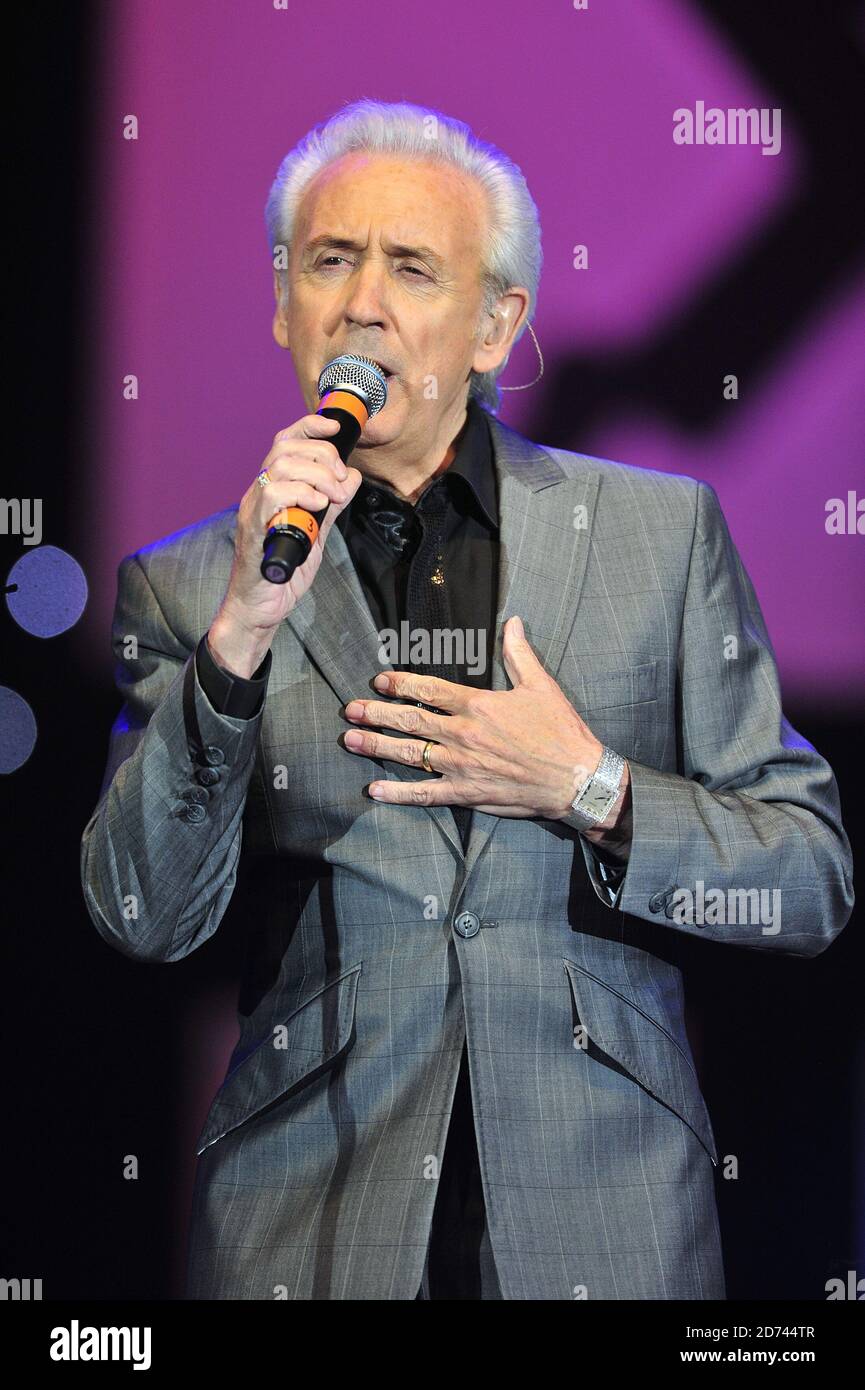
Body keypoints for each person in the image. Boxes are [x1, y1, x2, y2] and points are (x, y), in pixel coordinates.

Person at [80, 99, 854, 1301]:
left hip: (604, 1211)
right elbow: (140, 910)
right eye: (330, 261)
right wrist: (237, 642)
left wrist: (589, 789)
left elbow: (807, 878)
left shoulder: (656, 535)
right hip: (312, 1216)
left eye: (412, 267)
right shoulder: (193, 583)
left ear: (497, 326)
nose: (364, 303)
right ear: (286, 305)